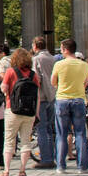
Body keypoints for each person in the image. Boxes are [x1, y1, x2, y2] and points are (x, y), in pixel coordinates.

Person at [50, 38, 88, 175]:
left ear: (65, 49)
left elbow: (53, 82)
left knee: (61, 133)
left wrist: (61, 87)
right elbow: (85, 82)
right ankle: (83, 166)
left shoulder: (59, 64)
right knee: (80, 133)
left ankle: (61, 166)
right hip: (79, 99)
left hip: (62, 99)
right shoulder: (84, 65)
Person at [0, 48, 39, 176]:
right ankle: (22, 170)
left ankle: (6, 170)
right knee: (26, 141)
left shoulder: (11, 72)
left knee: (9, 140)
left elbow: (4, 89)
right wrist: (36, 113)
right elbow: (37, 96)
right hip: (29, 112)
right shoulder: (33, 75)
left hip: (13, 109)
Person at [31, 37, 57, 169]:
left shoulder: (36, 59)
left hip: (41, 97)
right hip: (52, 96)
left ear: (36, 46)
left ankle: (46, 158)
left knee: (41, 129)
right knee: (50, 129)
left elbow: (37, 79)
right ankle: (52, 156)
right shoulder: (53, 58)